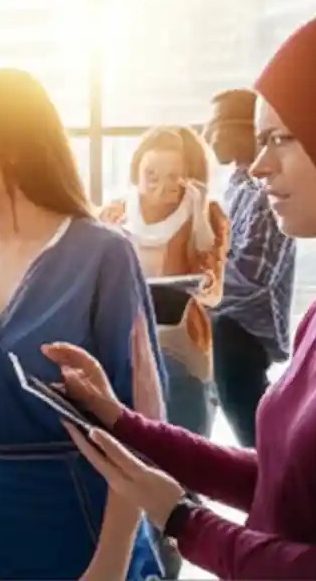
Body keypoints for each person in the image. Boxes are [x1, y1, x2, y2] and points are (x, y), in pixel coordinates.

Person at [49, 1, 316, 580]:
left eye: (282, 138)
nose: (259, 166)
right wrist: (122, 421)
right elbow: (283, 481)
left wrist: (183, 520)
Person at [0, 68, 166, 581]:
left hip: (84, 514)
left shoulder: (103, 253)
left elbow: (138, 420)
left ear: (9, 148)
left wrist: (112, 560)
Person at [99, 126, 229, 442]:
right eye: (151, 175)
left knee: (184, 441)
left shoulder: (206, 213)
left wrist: (198, 212)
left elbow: (212, 289)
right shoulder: (115, 211)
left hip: (178, 342)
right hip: (123, 340)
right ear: (137, 171)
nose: (160, 185)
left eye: (173, 177)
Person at [203, 89, 296, 448]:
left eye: (215, 127)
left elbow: (254, 277)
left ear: (244, 131)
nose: (207, 136)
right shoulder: (237, 187)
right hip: (226, 324)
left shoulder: (264, 192)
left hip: (242, 330)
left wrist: (198, 287)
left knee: (257, 437)